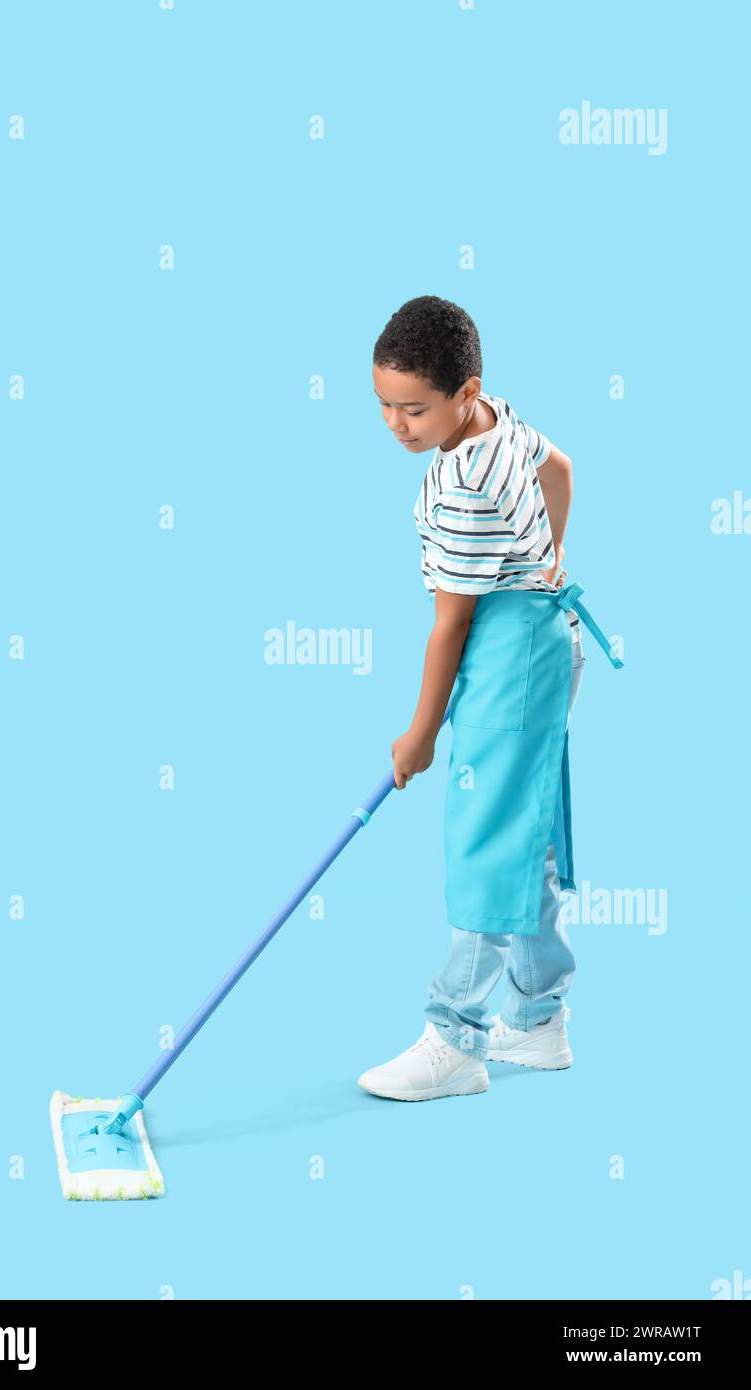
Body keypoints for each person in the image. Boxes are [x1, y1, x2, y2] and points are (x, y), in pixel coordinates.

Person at [358, 294, 600, 1102]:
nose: (397, 423)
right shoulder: (497, 420)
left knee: (488, 838)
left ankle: (455, 1037)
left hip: (509, 655)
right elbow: (558, 469)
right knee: (520, 829)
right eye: (385, 405)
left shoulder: (463, 482)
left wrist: (419, 735)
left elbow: (448, 627)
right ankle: (536, 1024)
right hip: (537, 635)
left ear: (466, 390)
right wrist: (550, 555)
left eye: (414, 408)